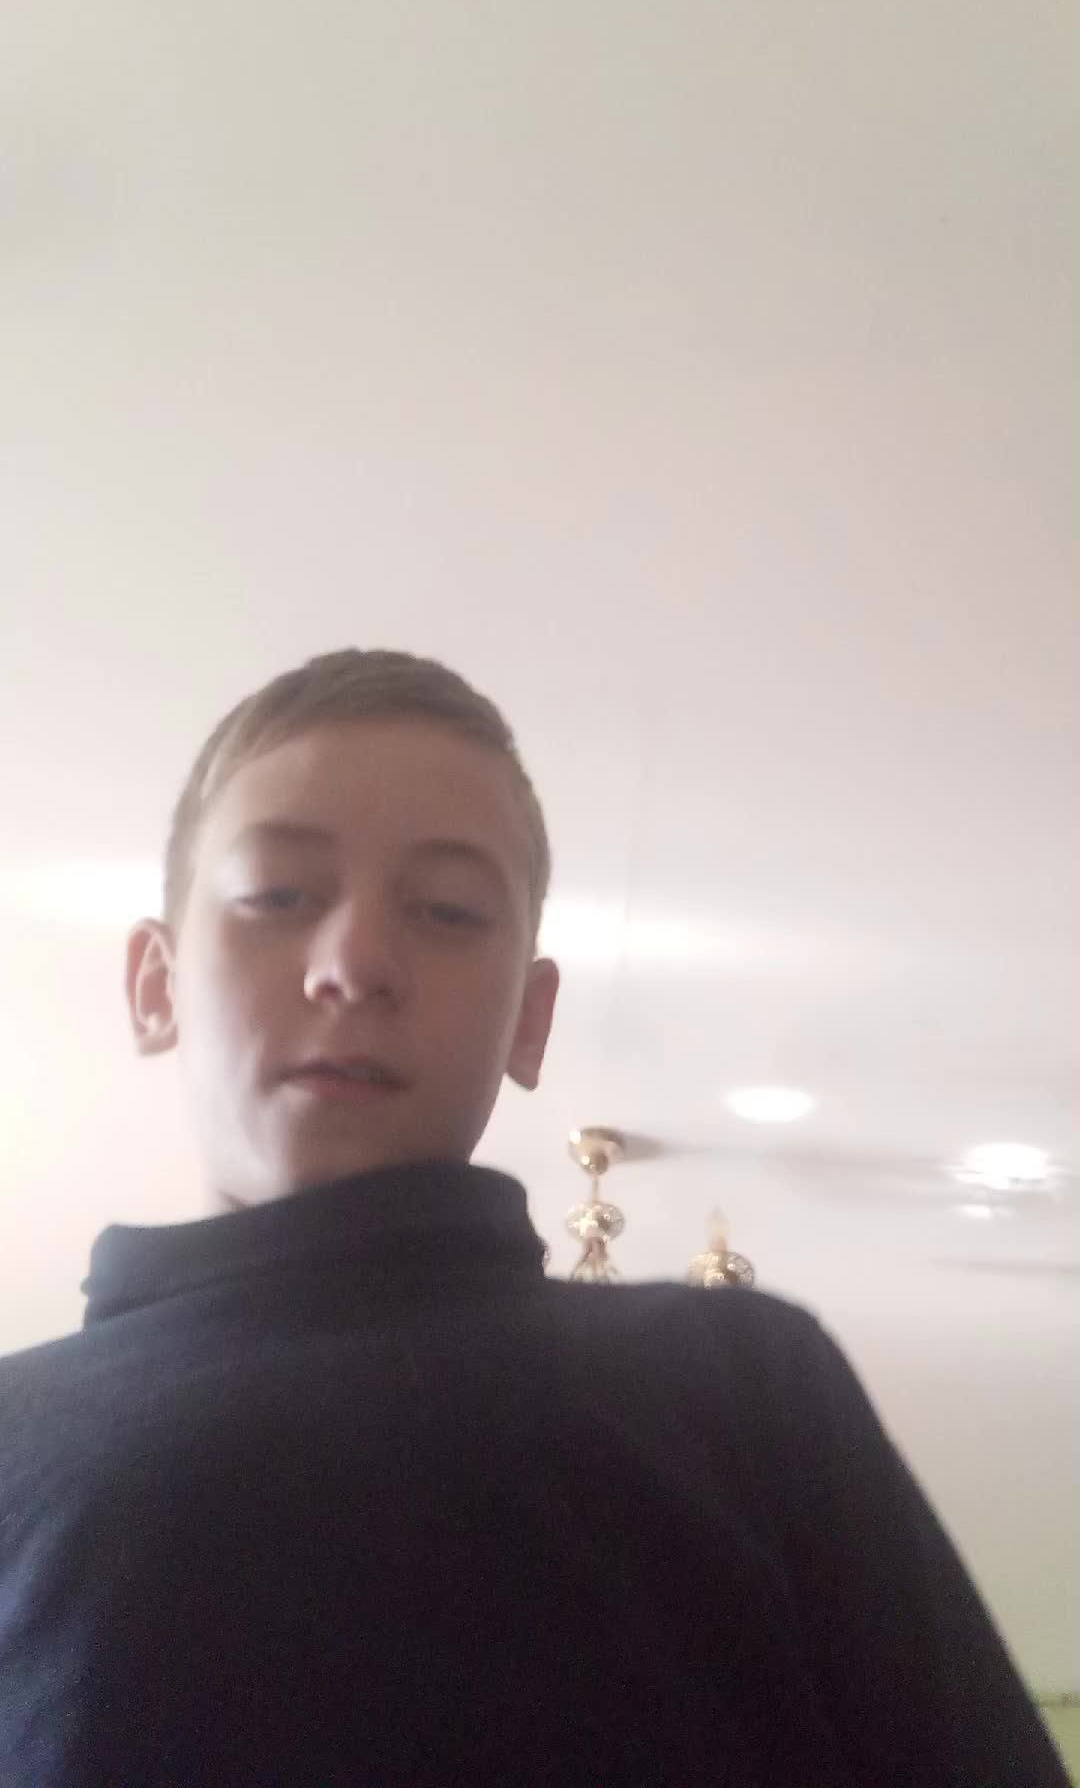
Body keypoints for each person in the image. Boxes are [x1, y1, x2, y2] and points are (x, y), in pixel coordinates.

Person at [0, 647, 1067, 1787]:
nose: (356, 963)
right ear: (154, 985)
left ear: (530, 1018)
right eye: (279, 895)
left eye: (448, 911)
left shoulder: (741, 1385)